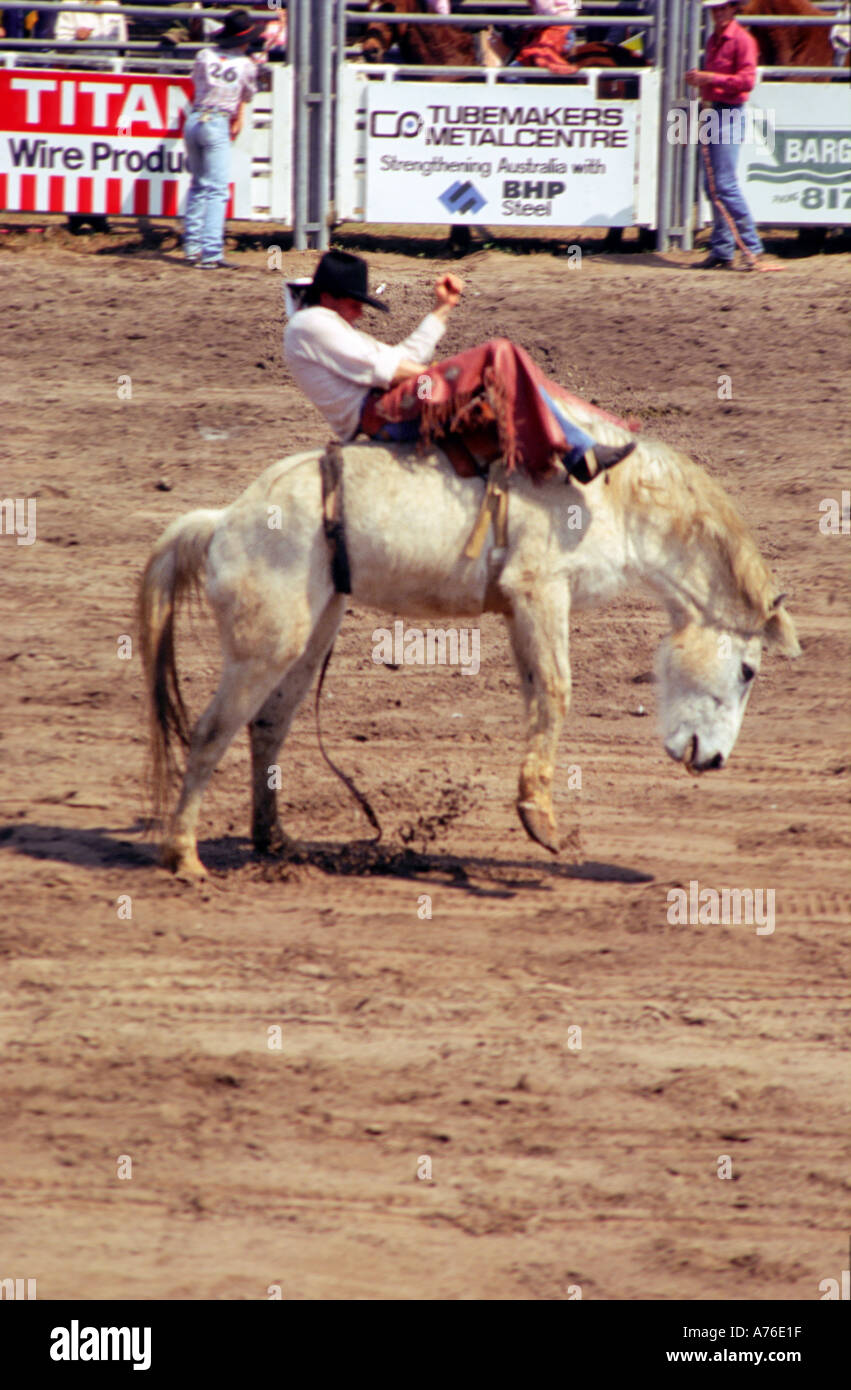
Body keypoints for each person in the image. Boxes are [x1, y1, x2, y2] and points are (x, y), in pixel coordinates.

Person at [284, 250, 635, 484]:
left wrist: (442, 309)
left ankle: (582, 444)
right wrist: (452, 375)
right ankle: (580, 451)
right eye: (354, 303)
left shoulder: (325, 327)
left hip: (389, 404)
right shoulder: (311, 324)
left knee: (503, 361)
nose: (360, 312)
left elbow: (401, 359)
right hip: (381, 412)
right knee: (498, 355)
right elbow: (389, 369)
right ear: (328, 297)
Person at [182, 9, 263, 269]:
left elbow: (196, 82)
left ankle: (193, 247)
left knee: (198, 184)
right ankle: (211, 253)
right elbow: (248, 94)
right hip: (216, 122)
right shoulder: (246, 65)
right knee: (217, 189)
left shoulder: (204, 56)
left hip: (195, 118)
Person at [686, 0, 763, 270]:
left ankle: (750, 246)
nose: (717, 13)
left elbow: (747, 81)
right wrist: (704, 80)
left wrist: (709, 79)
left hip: (729, 112)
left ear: (732, 9)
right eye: (714, 9)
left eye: (722, 8)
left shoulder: (742, 40)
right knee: (714, 185)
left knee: (724, 184)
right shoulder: (715, 39)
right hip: (715, 111)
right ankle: (723, 249)